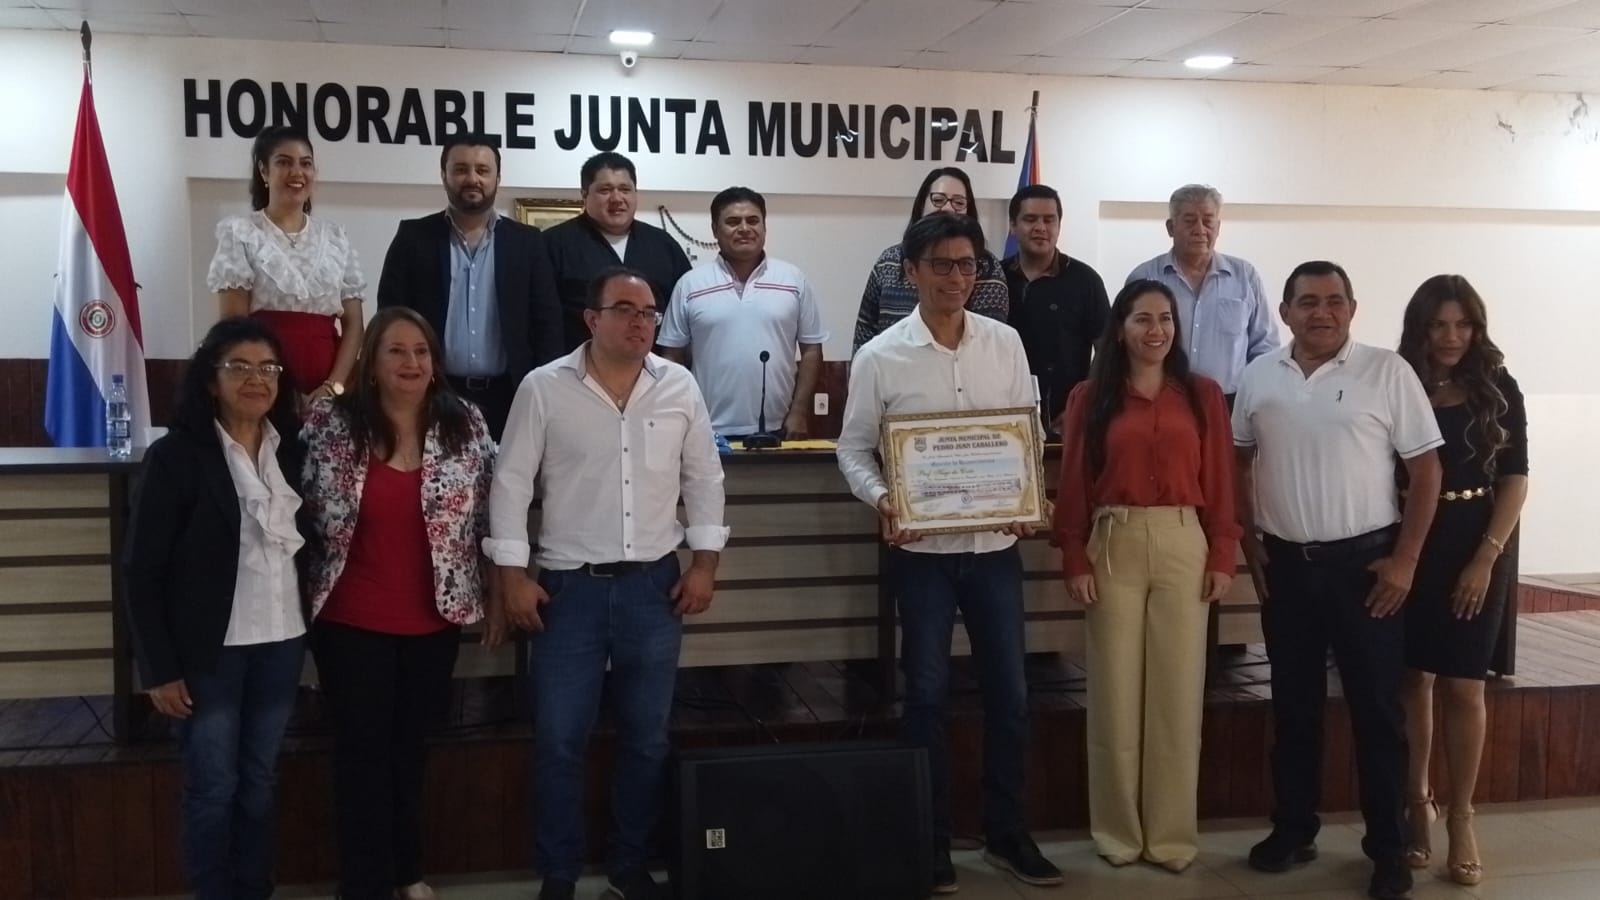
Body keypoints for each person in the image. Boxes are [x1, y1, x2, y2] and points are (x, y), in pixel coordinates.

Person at [838, 213, 1062, 894]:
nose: (956, 278)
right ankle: (930, 840)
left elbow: (1026, 433)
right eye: (942, 265)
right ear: (911, 272)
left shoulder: (1006, 343)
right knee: (926, 698)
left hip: (996, 549)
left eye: (968, 265)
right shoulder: (881, 356)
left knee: (1011, 696)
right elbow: (853, 450)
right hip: (924, 554)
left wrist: (1032, 500)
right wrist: (885, 500)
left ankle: (1007, 833)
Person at [487, 267, 727, 900]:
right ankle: (559, 873)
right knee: (560, 742)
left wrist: (704, 563)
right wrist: (511, 576)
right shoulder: (544, 388)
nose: (640, 322)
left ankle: (627, 866)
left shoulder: (679, 386)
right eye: (624, 310)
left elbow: (704, 479)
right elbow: (510, 482)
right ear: (591, 319)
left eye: (648, 312)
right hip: (569, 593)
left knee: (647, 740)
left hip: (655, 588)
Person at [1233, 261, 1443, 900]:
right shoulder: (1259, 375)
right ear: (1285, 313)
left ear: (1352, 308)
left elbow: (1428, 471)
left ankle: (1388, 847)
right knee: (1293, 708)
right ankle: (1293, 828)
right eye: (1306, 302)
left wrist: (1405, 561)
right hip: (1288, 570)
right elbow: (1239, 458)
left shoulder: (1387, 371)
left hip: (1367, 570)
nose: (1320, 313)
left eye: (1332, 301)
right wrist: (1248, 537)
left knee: (1378, 714)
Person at [300, 307, 502, 900]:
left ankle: (406, 871)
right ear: (371, 361)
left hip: (433, 617)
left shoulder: (464, 420)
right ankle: (362, 883)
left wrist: (496, 583)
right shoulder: (331, 423)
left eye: (421, 351)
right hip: (349, 617)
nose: (411, 362)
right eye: (396, 351)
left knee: (411, 751)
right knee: (361, 753)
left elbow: (491, 509)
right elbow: (292, 502)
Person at [1055, 279, 1237, 873]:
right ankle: (1117, 832)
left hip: (1185, 541)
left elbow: (1220, 482)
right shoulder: (1092, 396)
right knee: (1113, 695)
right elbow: (1075, 479)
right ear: (1120, 329)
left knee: (1178, 698)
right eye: (1142, 319)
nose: (1155, 330)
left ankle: (1171, 837)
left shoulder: (1202, 395)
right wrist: (1074, 555)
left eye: (1165, 319)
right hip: (1114, 543)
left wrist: (1222, 554)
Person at [123, 318, 306, 900]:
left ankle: (255, 889)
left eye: (268, 368)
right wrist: (158, 668)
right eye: (240, 367)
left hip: (281, 641)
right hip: (210, 654)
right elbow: (141, 570)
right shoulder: (177, 457)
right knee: (213, 787)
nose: (257, 379)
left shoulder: (292, 452)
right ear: (210, 379)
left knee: (258, 781)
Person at [1396, 275, 1528, 887]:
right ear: (1420, 326)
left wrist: (1486, 556)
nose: (1451, 336)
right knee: (1413, 679)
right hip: (1411, 540)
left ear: (1476, 327)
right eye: (1439, 324)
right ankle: (1416, 803)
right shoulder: (1400, 383)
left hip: (1478, 542)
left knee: (1466, 687)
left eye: (1462, 324)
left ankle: (1463, 817)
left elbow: (1516, 478)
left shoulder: (1498, 388)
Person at [377, 132, 564, 439]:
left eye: (482, 170)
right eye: (461, 169)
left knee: (508, 485)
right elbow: (390, 317)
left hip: (511, 397)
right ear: (444, 175)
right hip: (433, 393)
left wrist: (546, 391)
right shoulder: (413, 238)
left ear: (498, 178)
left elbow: (547, 325)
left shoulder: (527, 243)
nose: (472, 178)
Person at [208, 125, 366, 401]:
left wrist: (333, 387)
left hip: (328, 395)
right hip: (261, 391)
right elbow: (233, 328)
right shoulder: (241, 233)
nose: (297, 172)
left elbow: (354, 325)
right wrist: (271, 388)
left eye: (306, 164)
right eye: (284, 162)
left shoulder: (335, 238)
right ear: (264, 171)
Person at [658, 186, 828, 440]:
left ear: (764, 227)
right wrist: (681, 412)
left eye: (753, 220)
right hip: (706, 427)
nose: (744, 228)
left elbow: (812, 349)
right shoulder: (690, 284)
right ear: (715, 230)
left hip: (779, 426)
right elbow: (672, 356)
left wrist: (800, 411)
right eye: (733, 222)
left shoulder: (793, 279)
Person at [1125, 184, 1277, 405]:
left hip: (1231, 403)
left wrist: (1255, 398)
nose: (1200, 229)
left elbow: (1264, 346)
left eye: (1208, 220)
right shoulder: (1145, 277)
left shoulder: (1244, 276)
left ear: (1218, 227)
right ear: (1170, 227)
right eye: (1189, 221)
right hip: (1161, 401)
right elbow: (1128, 344)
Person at [542, 151, 692, 353]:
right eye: (605, 190)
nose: (617, 198)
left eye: (625, 189)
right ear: (584, 194)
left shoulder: (663, 244)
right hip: (578, 372)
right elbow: (542, 319)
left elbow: (683, 312)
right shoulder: (553, 244)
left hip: (652, 371)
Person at [851, 166, 1010, 353]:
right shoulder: (888, 262)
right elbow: (864, 332)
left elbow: (990, 339)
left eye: (959, 202)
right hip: (893, 372)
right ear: (922, 205)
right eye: (939, 200)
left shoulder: (987, 268)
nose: (949, 208)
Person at [1003, 183, 1110, 434]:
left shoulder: (1086, 280)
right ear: (1013, 226)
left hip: (1069, 419)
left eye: (1049, 220)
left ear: (1059, 226)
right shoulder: (995, 279)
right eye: (1030, 219)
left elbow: (1107, 350)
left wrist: (1084, 405)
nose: (1040, 227)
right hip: (1004, 416)